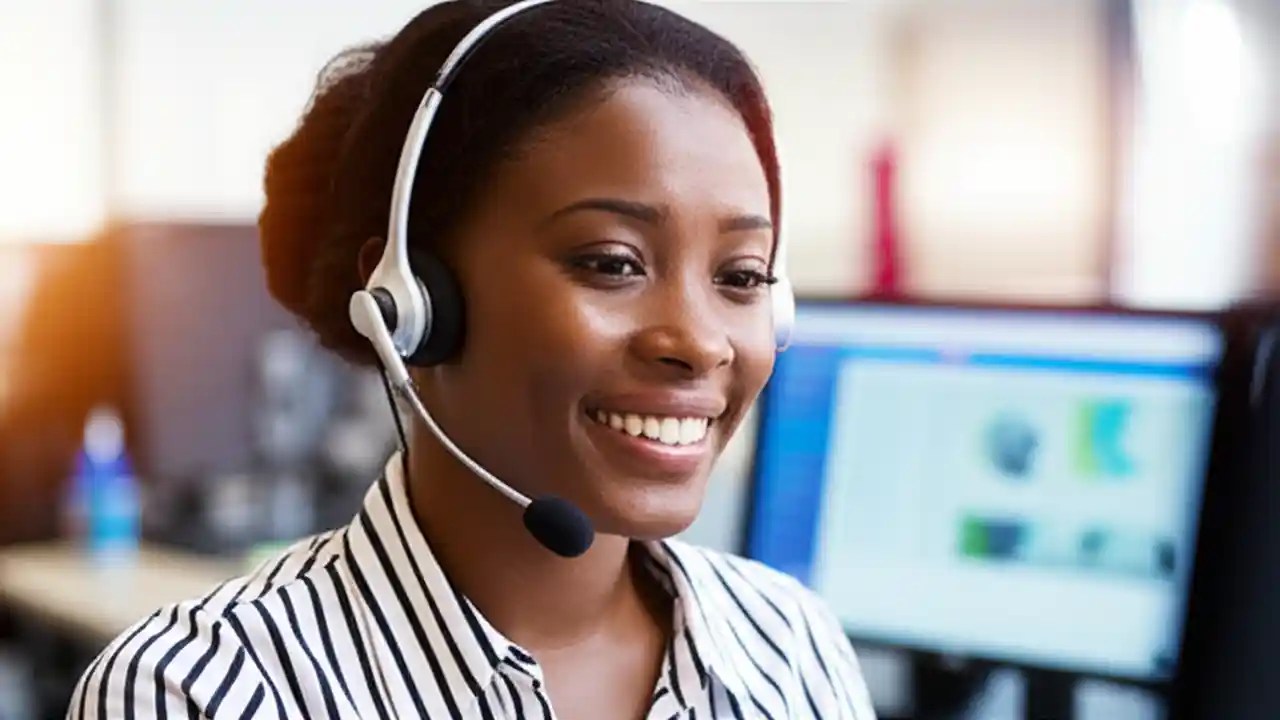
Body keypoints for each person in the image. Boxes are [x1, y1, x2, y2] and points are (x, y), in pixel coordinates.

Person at [69, 1, 877, 718]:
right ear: (414, 299)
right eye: (612, 262)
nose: (699, 342)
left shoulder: (789, 645)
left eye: (742, 276)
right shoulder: (200, 692)